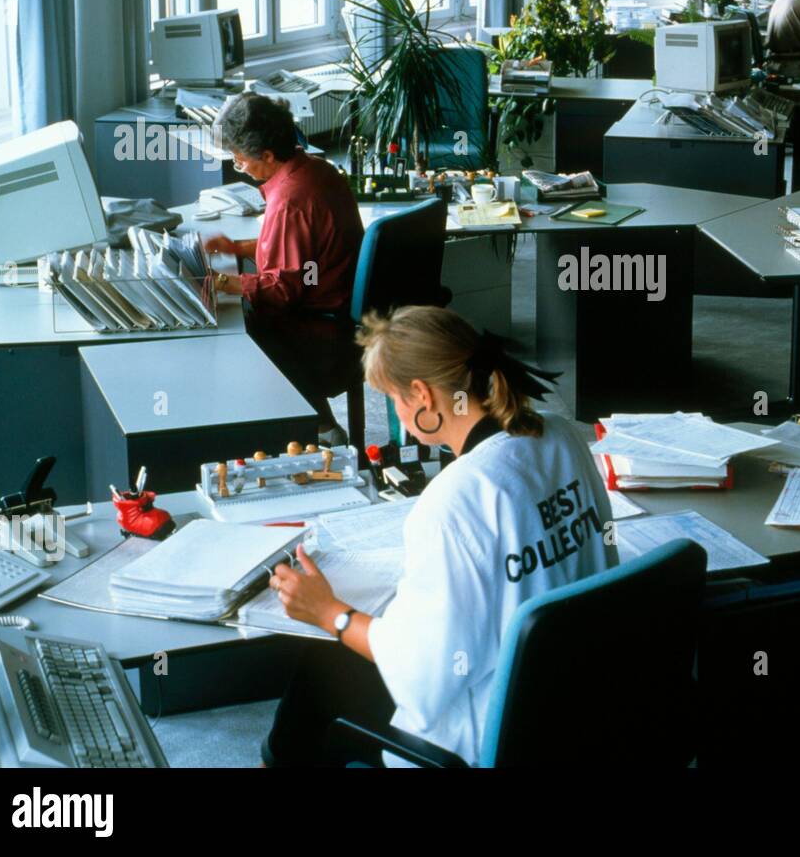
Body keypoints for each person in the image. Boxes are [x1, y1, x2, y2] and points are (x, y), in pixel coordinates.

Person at [260, 306, 619, 767]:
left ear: (422, 396)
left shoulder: (454, 501)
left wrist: (331, 613)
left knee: (321, 667)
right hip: (571, 711)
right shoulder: (563, 437)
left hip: (485, 739)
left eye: (393, 399)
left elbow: (424, 681)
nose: (396, 412)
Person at [203, 93, 364, 444]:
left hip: (323, 340)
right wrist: (238, 249)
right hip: (336, 315)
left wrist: (225, 283)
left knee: (236, 330)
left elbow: (283, 292)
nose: (236, 165)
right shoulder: (316, 170)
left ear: (268, 156)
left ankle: (309, 431)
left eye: (240, 159)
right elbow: (300, 257)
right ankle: (319, 423)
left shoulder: (290, 200)